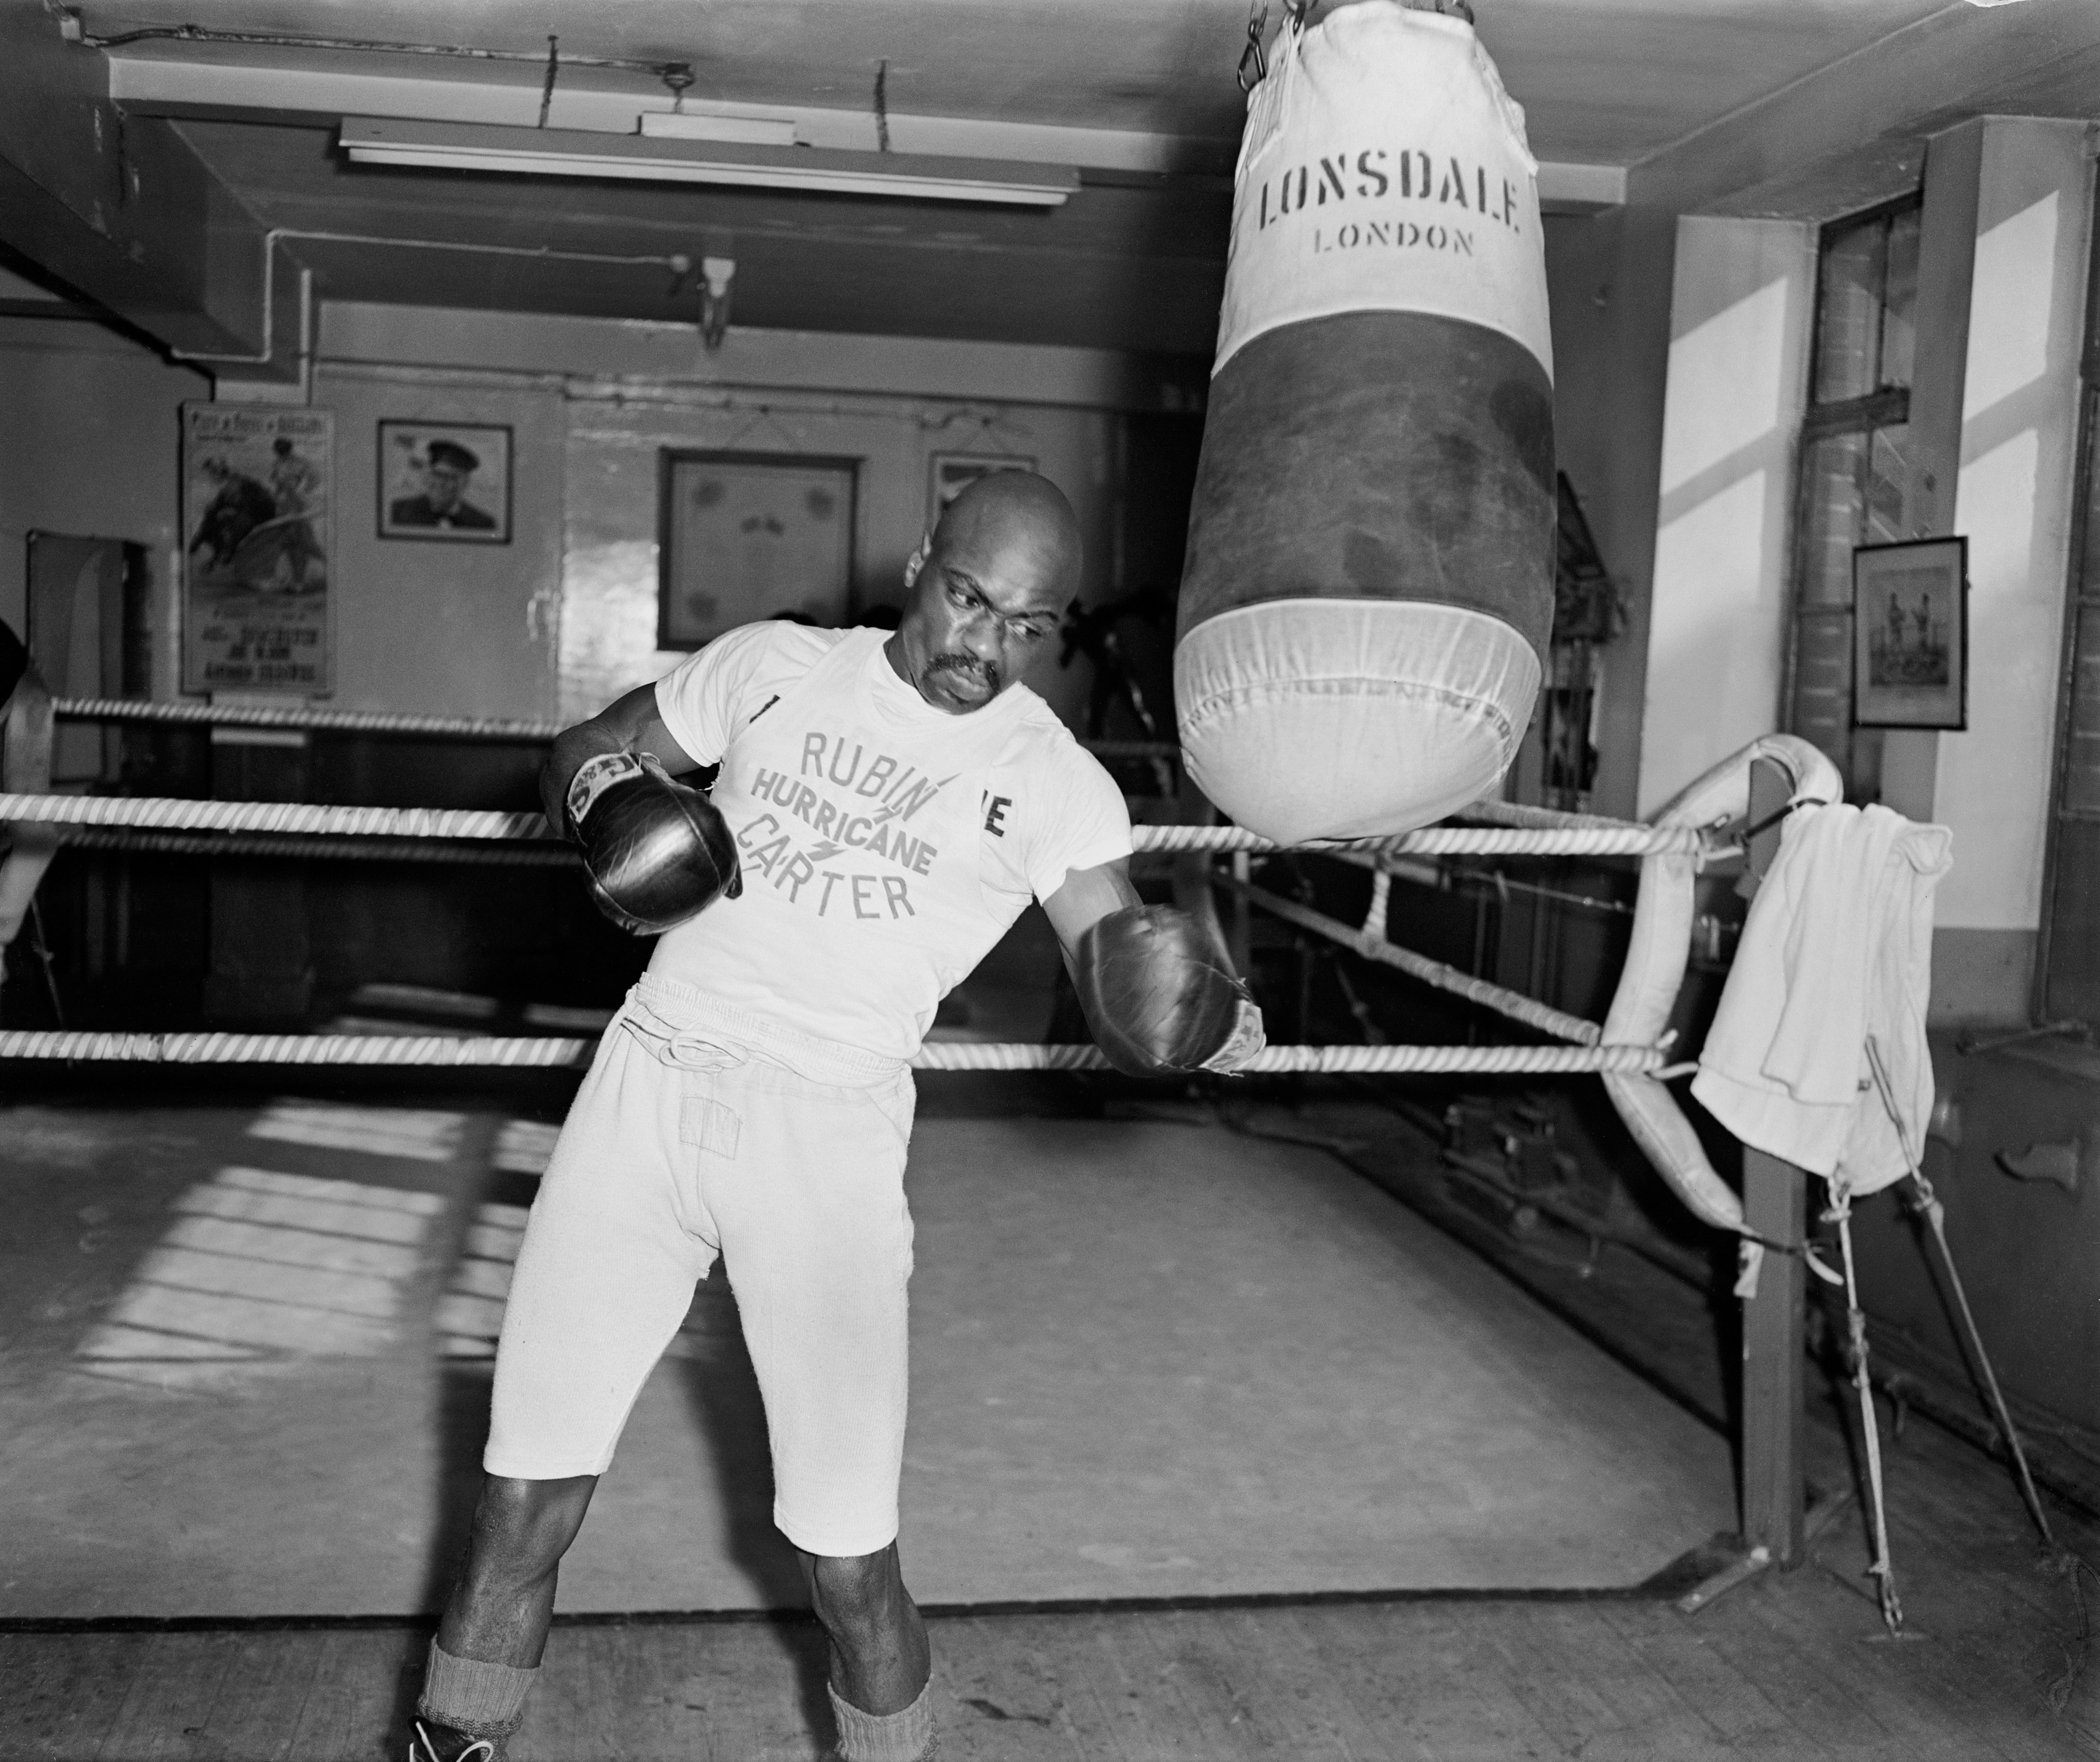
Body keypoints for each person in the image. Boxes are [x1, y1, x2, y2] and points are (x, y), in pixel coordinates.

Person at [408, 472, 1263, 1762]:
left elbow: (1109, 952)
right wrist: (610, 804)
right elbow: (584, 745)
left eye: (1025, 627)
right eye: (967, 599)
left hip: (828, 1147)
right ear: (921, 563)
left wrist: (1182, 1009)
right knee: (522, 1499)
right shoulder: (776, 666)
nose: (983, 646)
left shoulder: (1052, 781)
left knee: (845, 1562)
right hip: (646, 1093)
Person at [391, 438, 497, 531]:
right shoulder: (398, 512)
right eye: (437, 474)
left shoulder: (483, 524)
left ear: (466, 482)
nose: (441, 483)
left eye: (452, 478)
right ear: (428, 476)